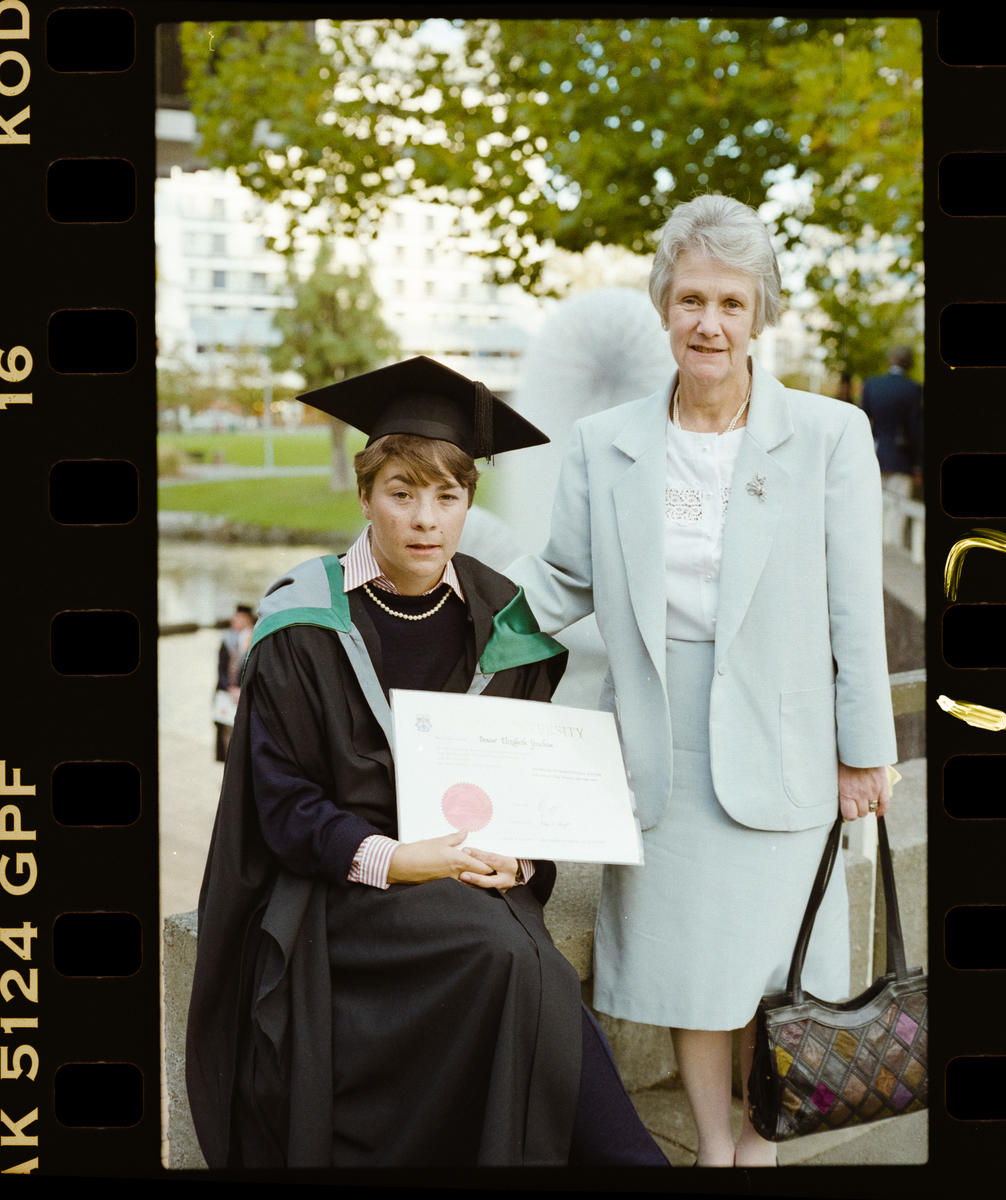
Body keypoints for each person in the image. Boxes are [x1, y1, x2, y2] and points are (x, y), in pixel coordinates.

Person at [185, 355, 668, 1170]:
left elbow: (526, 780)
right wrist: (402, 859)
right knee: (515, 958)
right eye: (402, 493)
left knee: (517, 953)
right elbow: (283, 804)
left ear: (468, 503)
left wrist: (520, 850)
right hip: (343, 886)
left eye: (447, 495)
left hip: (466, 879)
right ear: (367, 494)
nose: (424, 519)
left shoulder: (499, 620)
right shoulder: (301, 622)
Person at [507, 195, 897, 1167]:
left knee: (777, 976)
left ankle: (760, 1147)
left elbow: (855, 608)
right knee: (688, 972)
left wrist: (866, 754)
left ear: (758, 310)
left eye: (728, 300)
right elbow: (557, 581)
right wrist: (424, 600)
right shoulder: (603, 443)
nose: (707, 323)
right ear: (663, 306)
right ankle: (715, 1148)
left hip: (787, 747)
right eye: (689, 299)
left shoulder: (828, 435)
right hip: (658, 748)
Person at [860, 346, 923, 549]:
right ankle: (891, 553)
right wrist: (918, 465)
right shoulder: (912, 389)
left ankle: (872, 549)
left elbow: (862, 422)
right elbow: (915, 430)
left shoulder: (872, 384)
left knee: (873, 507)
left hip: (874, 454)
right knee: (898, 510)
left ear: (890, 360)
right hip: (901, 458)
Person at [213, 603, 255, 762]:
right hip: (227, 694)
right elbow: (220, 668)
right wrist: (230, 688)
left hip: (246, 694)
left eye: (238, 617)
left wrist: (242, 690)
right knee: (226, 733)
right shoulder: (227, 639)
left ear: (248, 619)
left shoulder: (255, 637)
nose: (234, 620)